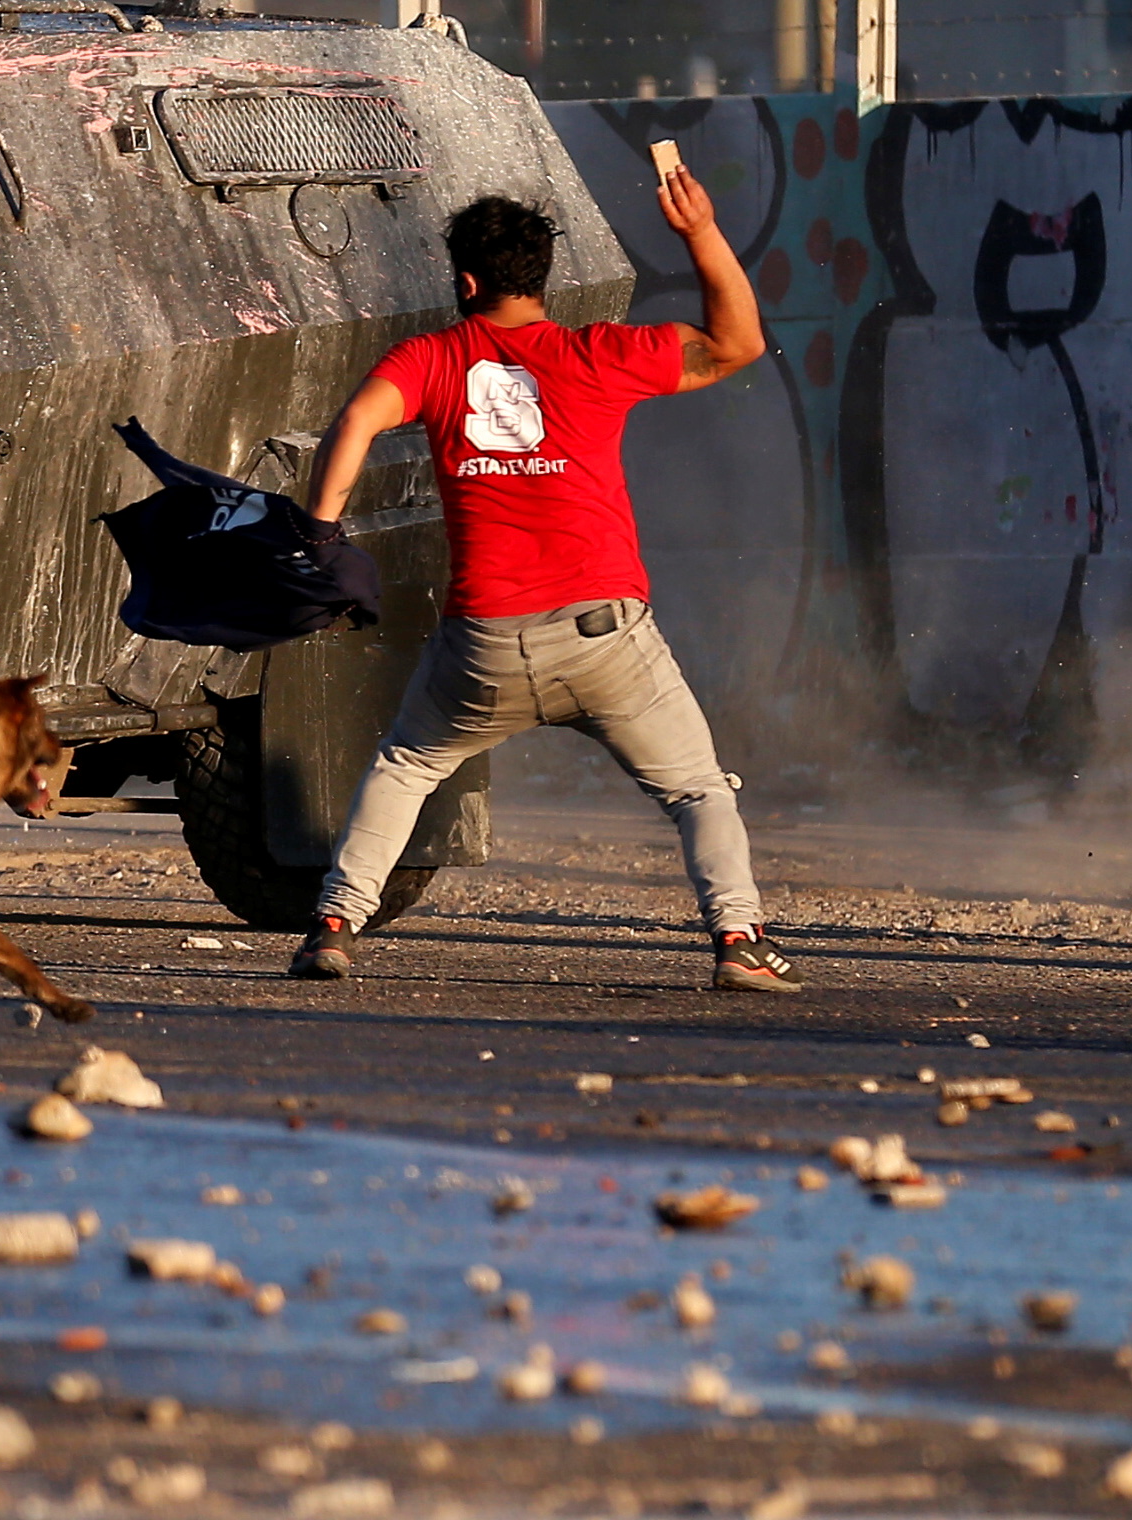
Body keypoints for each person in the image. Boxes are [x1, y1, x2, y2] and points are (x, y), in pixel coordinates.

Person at [287, 172, 800, 993]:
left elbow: (354, 423)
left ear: (464, 281)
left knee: (409, 765)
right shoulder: (599, 353)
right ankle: (738, 939)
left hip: (484, 642)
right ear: (541, 277)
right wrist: (700, 230)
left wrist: (322, 531)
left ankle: (337, 924)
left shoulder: (430, 358)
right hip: (606, 639)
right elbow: (737, 343)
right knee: (699, 789)